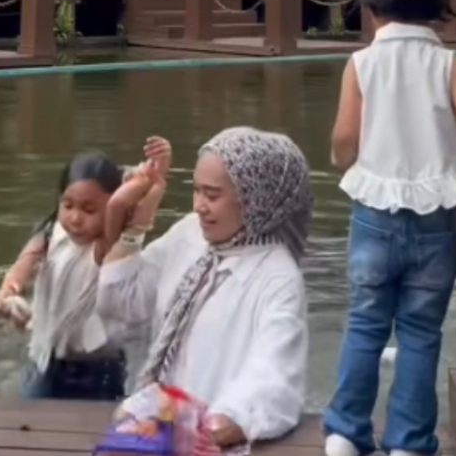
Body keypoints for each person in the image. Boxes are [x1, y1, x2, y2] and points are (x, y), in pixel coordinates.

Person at [322, 0, 456, 456]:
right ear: (435, 5)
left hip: (373, 218)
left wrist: (359, 153)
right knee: (420, 333)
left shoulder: (360, 64)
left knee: (365, 324)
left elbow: (344, 146)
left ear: (371, 7)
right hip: (435, 221)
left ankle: (345, 433)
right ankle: (408, 442)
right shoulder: (446, 64)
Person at [97, 127, 313, 454]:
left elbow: (274, 378)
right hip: (160, 435)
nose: (198, 206)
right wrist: (134, 228)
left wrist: (206, 428)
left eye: (212, 196)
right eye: (196, 191)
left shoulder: (277, 277)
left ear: (256, 200)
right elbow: (121, 304)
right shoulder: (190, 236)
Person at [0, 148, 164, 401]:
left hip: (96, 370)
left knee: (89, 434)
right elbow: (21, 266)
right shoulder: (50, 234)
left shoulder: (108, 247)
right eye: (67, 205)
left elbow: (122, 204)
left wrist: (144, 178)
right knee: (27, 427)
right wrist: (7, 294)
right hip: (45, 360)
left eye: (90, 210)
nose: (75, 218)